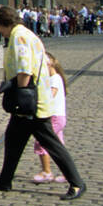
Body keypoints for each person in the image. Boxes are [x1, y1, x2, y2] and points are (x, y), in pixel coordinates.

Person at [0, 6, 86, 200]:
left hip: (32, 103)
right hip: (33, 100)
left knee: (52, 144)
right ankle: (5, 180)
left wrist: (20, 96)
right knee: (12, 139)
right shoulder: (23, 34)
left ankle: (77, 183)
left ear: (6, 23)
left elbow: (25, 69)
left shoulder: (19, 37)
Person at [32, 52, 70, 183]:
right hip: (59, 116)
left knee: (43, 141)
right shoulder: (57, 78)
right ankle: (68, 173)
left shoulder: (54, 79)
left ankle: (46, 171)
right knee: (58, 146)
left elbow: (50, 96)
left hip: (53, 117)